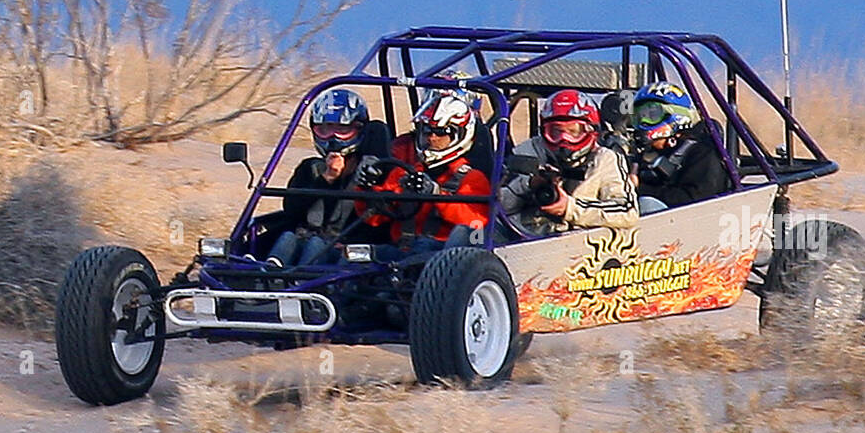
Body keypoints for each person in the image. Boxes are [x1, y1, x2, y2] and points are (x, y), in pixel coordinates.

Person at [354, 88, 491, 262]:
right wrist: (365, 190)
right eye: (427, 131)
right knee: (353, 257)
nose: (432, 138)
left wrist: (437, 195)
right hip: (402, 250)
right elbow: (374, 218)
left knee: (426, 247)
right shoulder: (405, 172)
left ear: (459, 134)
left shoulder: (471, 178)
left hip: (443, 256)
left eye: (441, 132)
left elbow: (476, 224)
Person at [500, 89, 638, 236]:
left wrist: (569, 208)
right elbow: (498, 205)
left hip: (584, 243)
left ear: (591, 130)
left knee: (649, 204)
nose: (564, 140)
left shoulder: (606, 159)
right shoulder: (528, 151)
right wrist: (529, 184)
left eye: (573, 131)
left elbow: (627, 212)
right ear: (543, 130)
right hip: (523, 236)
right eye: (555, 132)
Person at [266, 88, 372, 266]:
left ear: (358, 130)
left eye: (342, 129)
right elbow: (291, 210)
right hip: (306, 238)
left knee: (316, 244)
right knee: (288, 237)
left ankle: (302, 282)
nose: (333, 137)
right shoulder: (310, 168)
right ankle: (269, 275)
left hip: (347, 248)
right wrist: (326, 179)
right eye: (326, 129)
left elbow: (377, 220)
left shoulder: (372, 171)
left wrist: (350, 242)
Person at [630, 82, 732, 212]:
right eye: (640, 116)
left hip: (698, 223)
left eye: (652, 116)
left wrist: (639, 187)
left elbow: (694, 199)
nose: (644, 123)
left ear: (676, 117)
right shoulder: (649, 154)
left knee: (647, 205)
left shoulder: (702, 154)